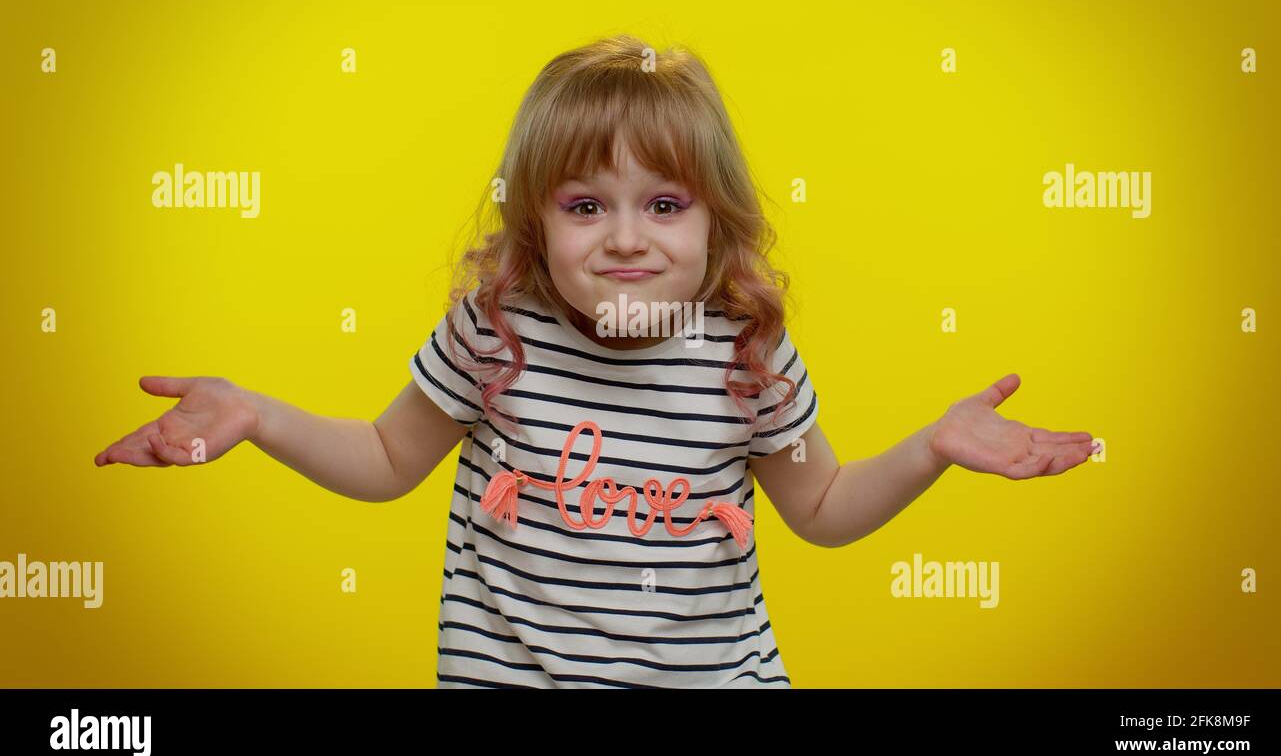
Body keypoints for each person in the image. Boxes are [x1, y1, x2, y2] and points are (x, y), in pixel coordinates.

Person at [95, 35, 1096, 688]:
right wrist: (257, 414)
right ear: (536, 221)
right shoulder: (495, 331)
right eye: (586, 205)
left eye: (663, 204)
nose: (625, 237)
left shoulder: (744, 352)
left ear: (718, 220)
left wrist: (934, 445)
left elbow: (824, 509)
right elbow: (384, 459)